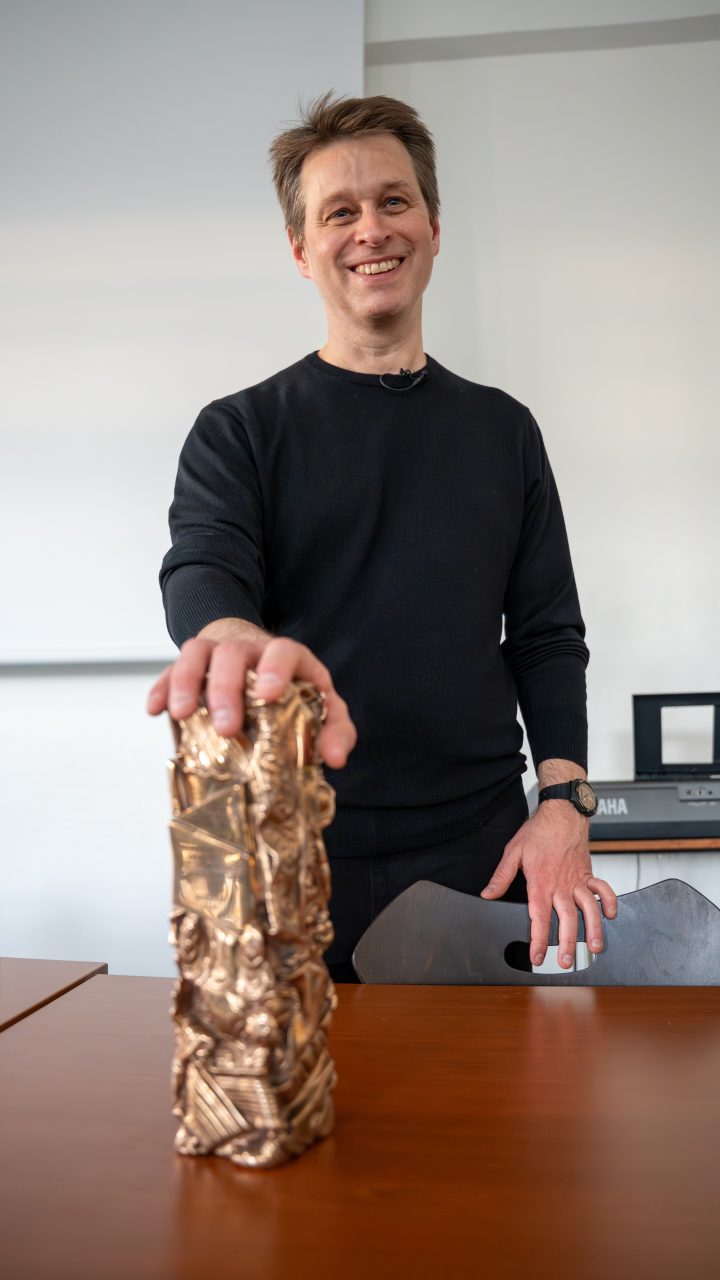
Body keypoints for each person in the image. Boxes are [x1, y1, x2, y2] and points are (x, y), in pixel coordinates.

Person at [149, 93, 617, 981]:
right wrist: (245, 649)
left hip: (477, 857)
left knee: (479, 1114)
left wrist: (564, 805)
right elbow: (204, 572)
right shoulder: (239, 430)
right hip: (291, 854)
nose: (372, 229)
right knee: (289, 1116)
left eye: (395, 202)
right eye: (341, 211)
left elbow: (549, 636)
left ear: (434, 227)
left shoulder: (503, 430)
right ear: (301, 250)